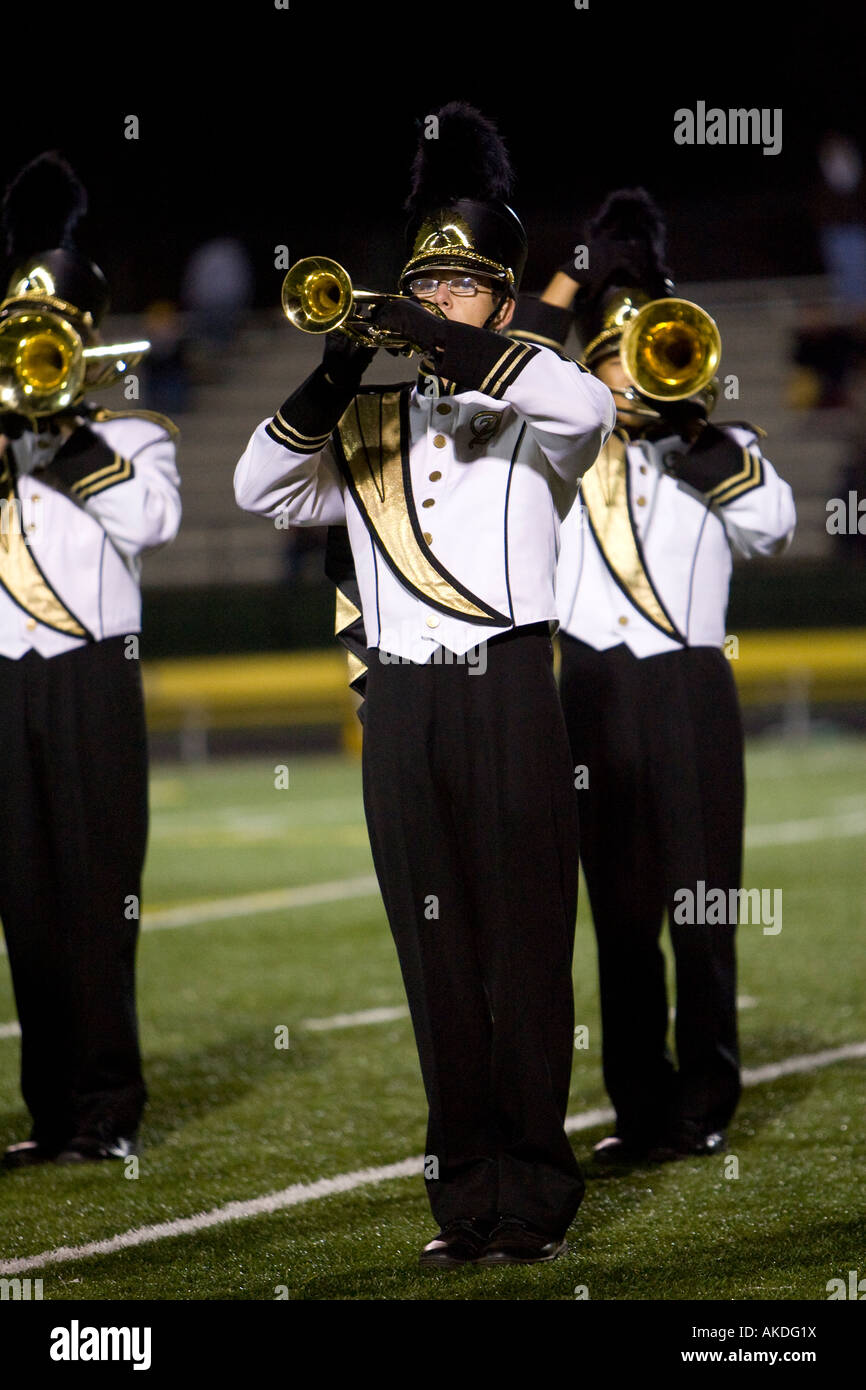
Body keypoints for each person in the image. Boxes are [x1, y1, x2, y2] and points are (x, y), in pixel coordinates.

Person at [235, 103, 614, 1265]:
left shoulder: (536, 402)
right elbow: (258, 485)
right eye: (424, 281)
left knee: (524, 956)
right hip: (400, 708)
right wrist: (344, 352)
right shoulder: (366, 424)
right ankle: (465, 1204)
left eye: (459, 284)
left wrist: (446, 339)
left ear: (501, 301)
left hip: (507, 692)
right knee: (436, 962)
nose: (435, 298)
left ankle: (533, 1198)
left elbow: (585, 405)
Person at [510, 189, 796, 1162]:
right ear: (585, 369)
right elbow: (502, 377)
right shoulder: (550, 458)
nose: (627, 372)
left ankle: (704, 1098)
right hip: (586, 692)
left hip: (685, 689)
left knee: (701, 905)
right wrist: (569, 278)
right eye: (609, 356)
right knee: (620, 914)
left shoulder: (725, 450)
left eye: (644, 353)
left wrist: (686, 439)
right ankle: (638, 1108)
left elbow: (774, 524)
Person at [0, 153, 182, 1168]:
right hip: (6, 681)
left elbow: (151, 520)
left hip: (89, 676)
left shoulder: (131, 432)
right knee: (24, 901)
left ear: (83, 336)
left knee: (96, 897)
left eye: (52, 335)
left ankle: (109, 1105)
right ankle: (51, 1109)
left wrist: (63, 431)